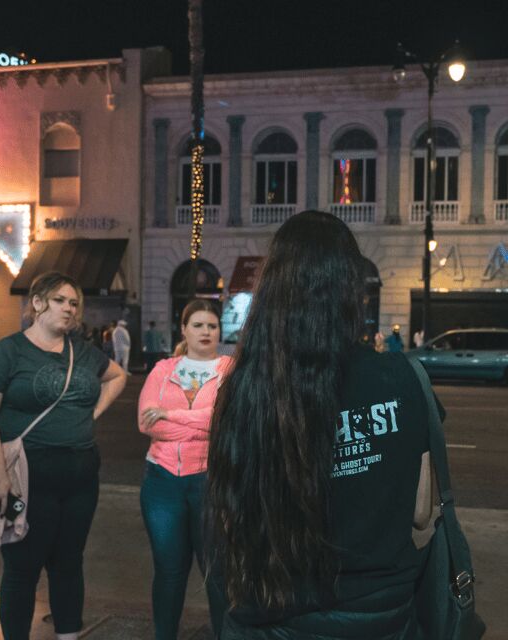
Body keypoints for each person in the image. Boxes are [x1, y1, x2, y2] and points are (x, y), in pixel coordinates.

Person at [206, 211, 434, 639]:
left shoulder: (245, 390)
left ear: (272, 289)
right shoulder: (402, 378)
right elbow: (423, 512)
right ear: (351, 289)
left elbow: (230, 519)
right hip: (380, 616)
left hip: (273, 613)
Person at [0, 271, 127, 640]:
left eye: (74, 303)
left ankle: (68, 635)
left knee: (69, 563)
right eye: (59, 300)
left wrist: (91, 415)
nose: (68, 308)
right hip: (27, 479)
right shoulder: (8, 352)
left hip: (80, 479)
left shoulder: (83, 352)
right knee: (22, 567)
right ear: (37, 303)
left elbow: (117, 375)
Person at [138, 299, 231, 639]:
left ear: (220, 331)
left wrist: (171, 415)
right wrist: (203, 424)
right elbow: (147, 423)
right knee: (169, 571)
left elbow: (227, 420)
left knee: (217, 572)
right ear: (184, 329)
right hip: (162, 483)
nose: (206, 331)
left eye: (212, 326)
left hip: (212, 481)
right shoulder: (163, 370)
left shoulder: (231, 369)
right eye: (198, 325)